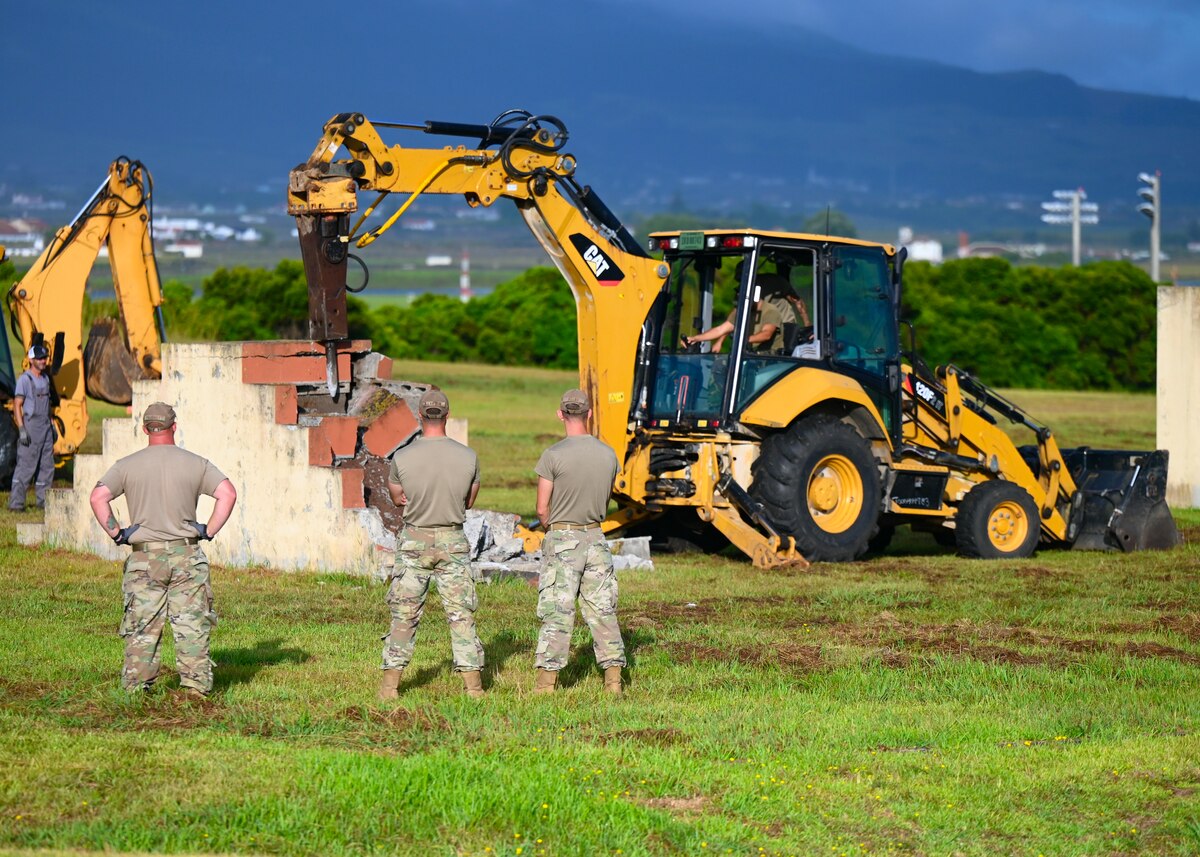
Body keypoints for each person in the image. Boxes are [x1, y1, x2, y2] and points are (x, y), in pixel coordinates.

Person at [88, 402, 237, 697]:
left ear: (145, 429)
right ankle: (195, 689)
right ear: (174, 427)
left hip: (144, 557)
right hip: (187, 556)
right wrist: (208, 530)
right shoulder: (196, 463)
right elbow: (227, 493)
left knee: (142, 627)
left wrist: (118, 533)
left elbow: (98, 498)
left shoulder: (126, 465)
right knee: (192, 624)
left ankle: (137, 689)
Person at [380, 389, 486, 700]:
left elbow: (398, 497)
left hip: (415, 539)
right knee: (461, 614)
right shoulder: (469, 457)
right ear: (447, 416)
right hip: (453, 539)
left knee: (404, 614)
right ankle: (474, 689)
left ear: (420, 416)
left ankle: (389, 689)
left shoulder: (402, 457)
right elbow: (468, 500)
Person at [532, 389, 626, 696]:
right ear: (589, 414)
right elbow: (606, 496)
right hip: (596, 538)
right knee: (602, 611)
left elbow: (542, 510)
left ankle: (547, 685)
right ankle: (613, 681)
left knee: (558, 611)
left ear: (560, 414)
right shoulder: (608, 454)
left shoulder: (553, 456)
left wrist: (555, 527)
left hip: (562, 538)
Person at [8, 344, 55, 511]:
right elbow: (17, 404)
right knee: (26, 467)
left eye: (44, 358)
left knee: (47, 467)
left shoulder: (45, 379)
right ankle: (16, 504)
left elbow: (47, 405)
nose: (43, 361)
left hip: (45, 428)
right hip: (30, 429)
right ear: (31, 359)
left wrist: (52, 426)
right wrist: (21, 429)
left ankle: (43, 502)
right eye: (39, 358)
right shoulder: (24, 380)